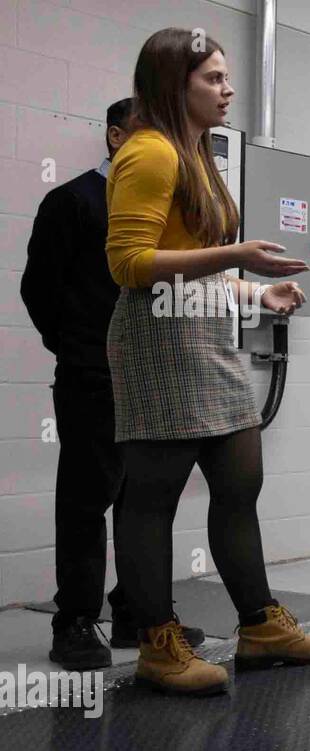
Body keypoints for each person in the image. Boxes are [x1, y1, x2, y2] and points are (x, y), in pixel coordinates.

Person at [105, 27, 310, 696]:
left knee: (240, 485)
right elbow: (130, 265)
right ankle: (157, 644)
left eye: (228, 77)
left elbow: (195, 273)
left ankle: (260, 625)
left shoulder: (196, 153)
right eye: (212, 78)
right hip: (157, 340)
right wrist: (237, 257)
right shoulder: (149, 153)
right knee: (150, 500)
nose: (227, 88)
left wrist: (257, 290)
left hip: (207, 334)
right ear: (175, 85)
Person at [22, 97, 206, 672]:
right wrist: (80, 349)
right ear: (114, 136)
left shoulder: (163, 202)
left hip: (154, 368)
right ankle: (75, 622)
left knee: (143, 496)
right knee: (85, 497)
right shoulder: (71, 201)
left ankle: (138, 613)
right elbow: (40, 291)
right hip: (93, 372)